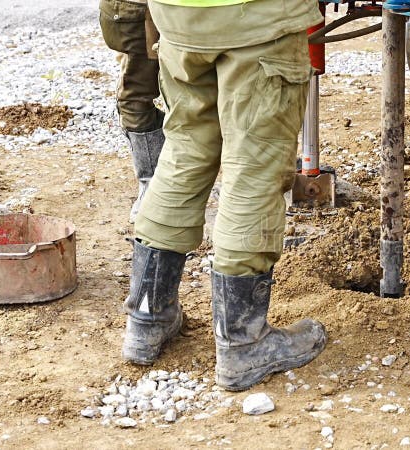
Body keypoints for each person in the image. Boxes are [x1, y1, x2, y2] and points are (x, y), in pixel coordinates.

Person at [121, 0, 328, 392]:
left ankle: (147, 320)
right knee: (254, 166)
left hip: (178, 15)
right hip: (256, 17)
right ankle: (242, 343)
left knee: (185, 148)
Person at [99, 0, 164, 223]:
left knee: (200, 99)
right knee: (136, 96)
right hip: (140, 10)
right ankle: (152, 184)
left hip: (206, 14)